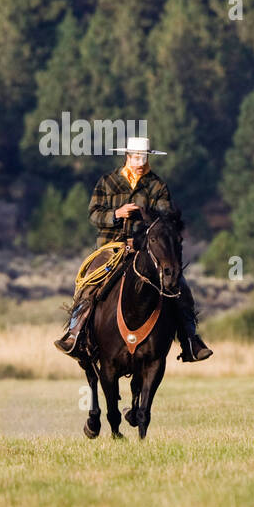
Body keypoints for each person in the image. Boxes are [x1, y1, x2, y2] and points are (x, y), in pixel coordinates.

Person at [54, 137, 212, 362]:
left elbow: (167, 218)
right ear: (127, 156)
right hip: (112, 246)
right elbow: (93, 214)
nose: (140, 161)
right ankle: (75, 333)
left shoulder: (157, 185)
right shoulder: (107, 182)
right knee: (90, 284)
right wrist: (116, 215)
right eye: (136, 157)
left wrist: (148, 214)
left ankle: (190, 340)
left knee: (179, 286)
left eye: (143, 157)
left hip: (147, 248)